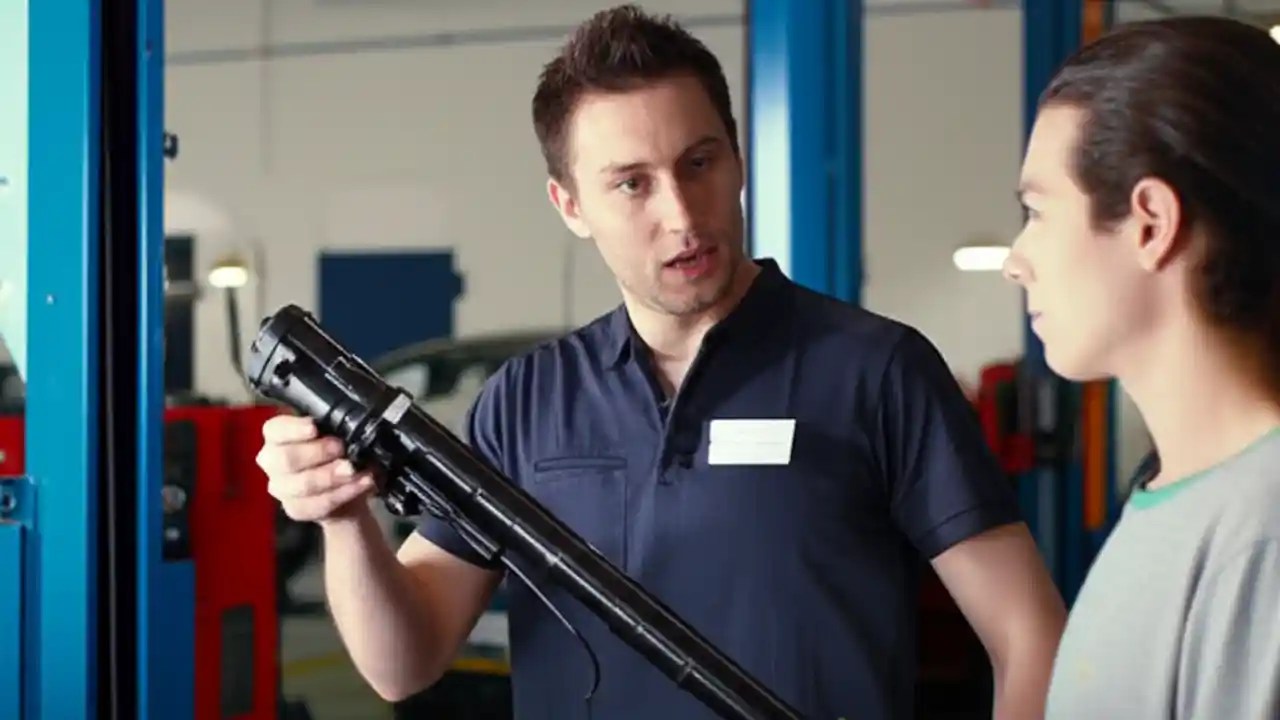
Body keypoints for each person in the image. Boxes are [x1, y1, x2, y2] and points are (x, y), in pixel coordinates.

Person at [257, 5, 1066, 719]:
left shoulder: (875, 371)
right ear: (570, 205)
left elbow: (1029, 633)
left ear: (738, 161)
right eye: (632, 184)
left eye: (699, 163)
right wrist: (343, 519)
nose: (681, 213)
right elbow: (406, 663)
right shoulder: (525, 400)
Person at [1002, 16, 1280, 719]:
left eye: (1036, 211)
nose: (1015, 261)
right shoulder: (1176, 500)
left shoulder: (1261, 535)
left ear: (1150, 223)